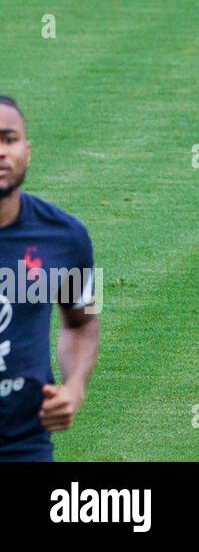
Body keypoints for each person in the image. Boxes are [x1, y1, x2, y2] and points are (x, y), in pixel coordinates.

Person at [0, 96, 100, 461]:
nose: (0, 152)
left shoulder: (67, 237)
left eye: (8, 139)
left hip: (25, 447)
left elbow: (83, 323)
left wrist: (74, 388)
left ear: (27, 149)